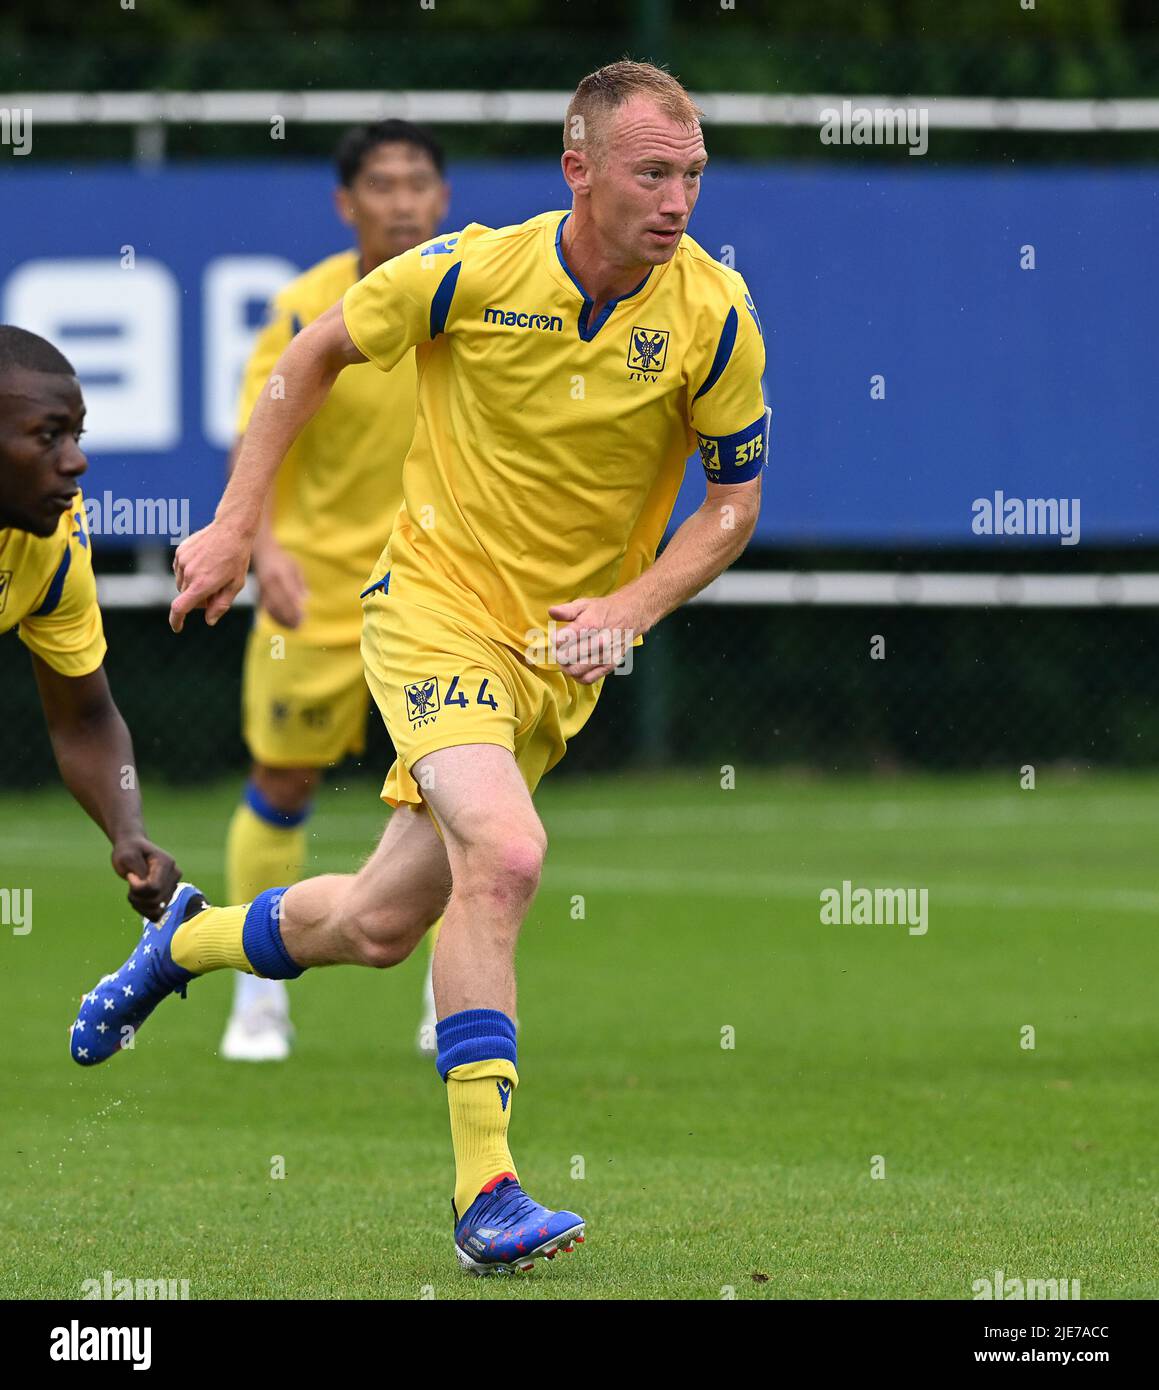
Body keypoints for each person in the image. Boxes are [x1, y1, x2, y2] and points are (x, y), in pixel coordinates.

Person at [71, 60, 767, 1276]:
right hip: (432, 612)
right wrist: (238, 522)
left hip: (557, 659)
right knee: (505, 852)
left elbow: (734, 500)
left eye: (692, 174)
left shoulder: (713, 315)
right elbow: (310, 354)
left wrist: (634, 601)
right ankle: (484, 1187)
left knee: (384, 923)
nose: (676, 199)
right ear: (580, 170)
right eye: (652, 172)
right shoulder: (472, 271)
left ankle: (185, 942)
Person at [219, 119, 450, 1062]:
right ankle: (256, 1000)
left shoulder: (469, 294)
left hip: (440, 588)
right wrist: (262, 547)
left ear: (442, 197)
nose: (402, 200)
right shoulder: (306, 306)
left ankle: (451, 998)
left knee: (458, 796)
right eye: (382, 184)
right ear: (345, 202)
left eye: (418, 182)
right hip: (313, 588)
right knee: (283, 782)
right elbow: (259, 436)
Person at [0, 326, 180, 961]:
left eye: (78, 435)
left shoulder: (51, 544)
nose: (75, 460)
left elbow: (85, 718)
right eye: (48, 436)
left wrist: (127, 830)